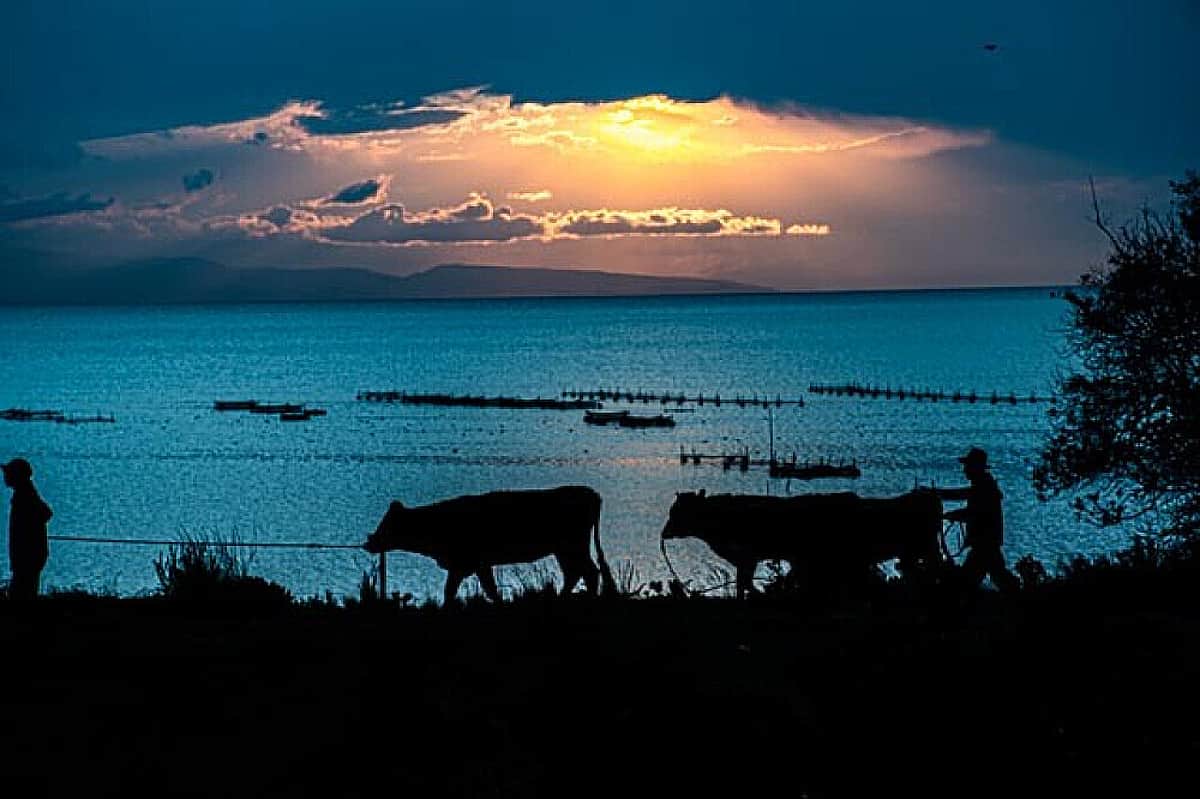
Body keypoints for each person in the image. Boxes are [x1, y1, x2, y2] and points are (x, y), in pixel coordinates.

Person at [935, 448, 1019, 593]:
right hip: (987, 544)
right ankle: (1022, 596)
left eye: (967, 466)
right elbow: (968, 501)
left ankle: (1022, 598)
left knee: (967, 583)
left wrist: (951, 512)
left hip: (984, 545)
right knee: (998, 576)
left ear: (976, 467)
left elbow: (974, 511)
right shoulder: (985, 485)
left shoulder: (984, 487)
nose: (964, 470)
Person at [3, 458, 52, 599]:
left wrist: (30, 532)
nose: (5, 476)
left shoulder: (25, 495)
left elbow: (45, 513)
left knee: (21, 594)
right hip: (28, 555)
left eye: (8, 473)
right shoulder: (24, 493)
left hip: (28, 555)